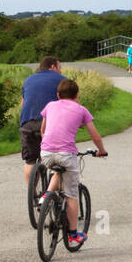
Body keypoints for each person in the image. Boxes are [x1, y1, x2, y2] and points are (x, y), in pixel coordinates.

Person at [39, 78, 108, 247]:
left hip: (46, 153)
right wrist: (101, 150)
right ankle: (72, 235)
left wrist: (49, 145)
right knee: (71, 194)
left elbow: (43, 130)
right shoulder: (81, 110)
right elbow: (95, 136)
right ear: (77, 95)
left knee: (57, 171)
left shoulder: (50, 105)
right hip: (66, 155)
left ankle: (46, 196)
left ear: (58, 95)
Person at [19, 56, 66, 192]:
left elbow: (23, 103)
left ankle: (33, 196)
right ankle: (52, 194)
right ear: (53, 67)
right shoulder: (62, 80)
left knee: (30, 161)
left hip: (28, 124)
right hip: (50, 125)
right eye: (59, 67)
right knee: (58, 160)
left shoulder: (29, 80)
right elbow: (69, 104)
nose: (60, 70)